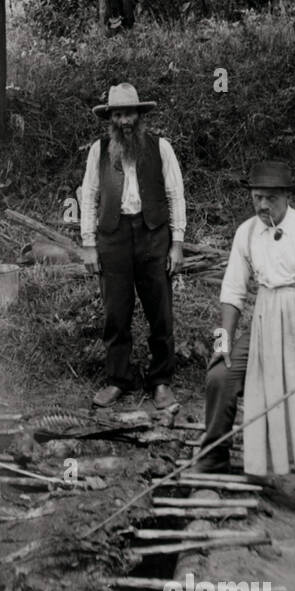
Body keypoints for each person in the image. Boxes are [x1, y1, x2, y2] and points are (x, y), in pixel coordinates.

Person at [197, 160, 295, 517]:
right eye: (257, 197)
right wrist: (222, 342)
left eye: (270, 198)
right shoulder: (247, 232)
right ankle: (211, 465)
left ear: (287, 196)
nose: (262, 205)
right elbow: (233, 291)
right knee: (219, 377)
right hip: (265, 319)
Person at [78, 83, 188, 411]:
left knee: (160, 311)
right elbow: (88, 195)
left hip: (153, 235)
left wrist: (177, 244)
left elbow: (175, 195)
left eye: (130, 114)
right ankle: (117, 379)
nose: (125, 120)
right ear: (111, 118)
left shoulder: (160, 148)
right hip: (112, 238)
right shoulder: (98, 151)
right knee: (116, 312)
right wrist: (88, 244)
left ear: (140, 116)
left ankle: (161, 381)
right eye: (119, 114)